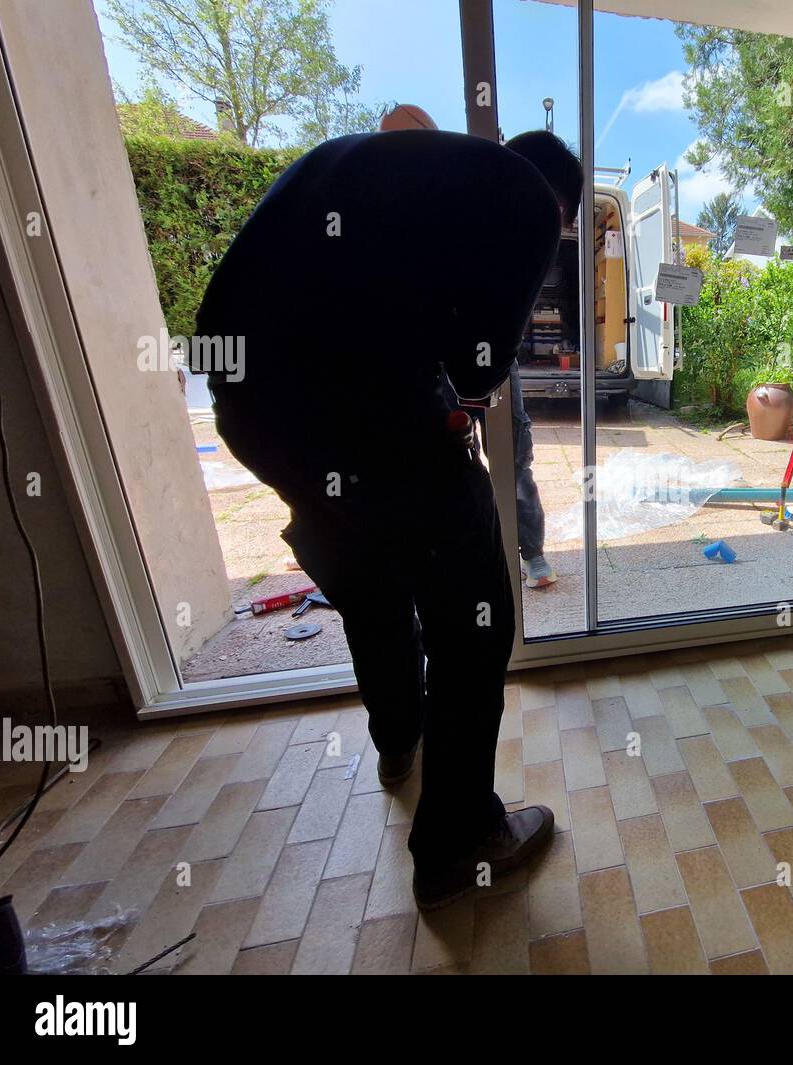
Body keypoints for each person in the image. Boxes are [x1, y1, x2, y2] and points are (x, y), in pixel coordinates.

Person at [194, 126, 583, 909]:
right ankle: (456, 842)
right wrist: (455, 407)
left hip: (247, 406)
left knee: (364, 564)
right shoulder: (528, 195)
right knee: (474, 620)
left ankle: (398, 738)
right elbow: (478, 360)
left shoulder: (399, 165)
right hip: (354, 405)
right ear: (561, 198)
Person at [377, 104, 557, 591]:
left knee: (513, 453)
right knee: (448, 455)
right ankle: (472, 555)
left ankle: (530, 551)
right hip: (432, 356)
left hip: (488, 347)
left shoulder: (469, 197)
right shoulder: (394, 207)